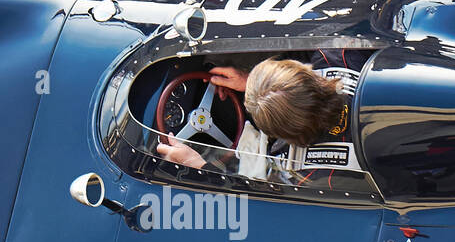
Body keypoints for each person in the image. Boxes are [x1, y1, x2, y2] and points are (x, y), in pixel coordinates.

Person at [156, 49, 369, 174]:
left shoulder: (300, 171)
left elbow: (249, 198)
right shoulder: (341, 55)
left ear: (282, 137)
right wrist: (253, 84)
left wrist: (198, 165)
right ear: (304, 73)